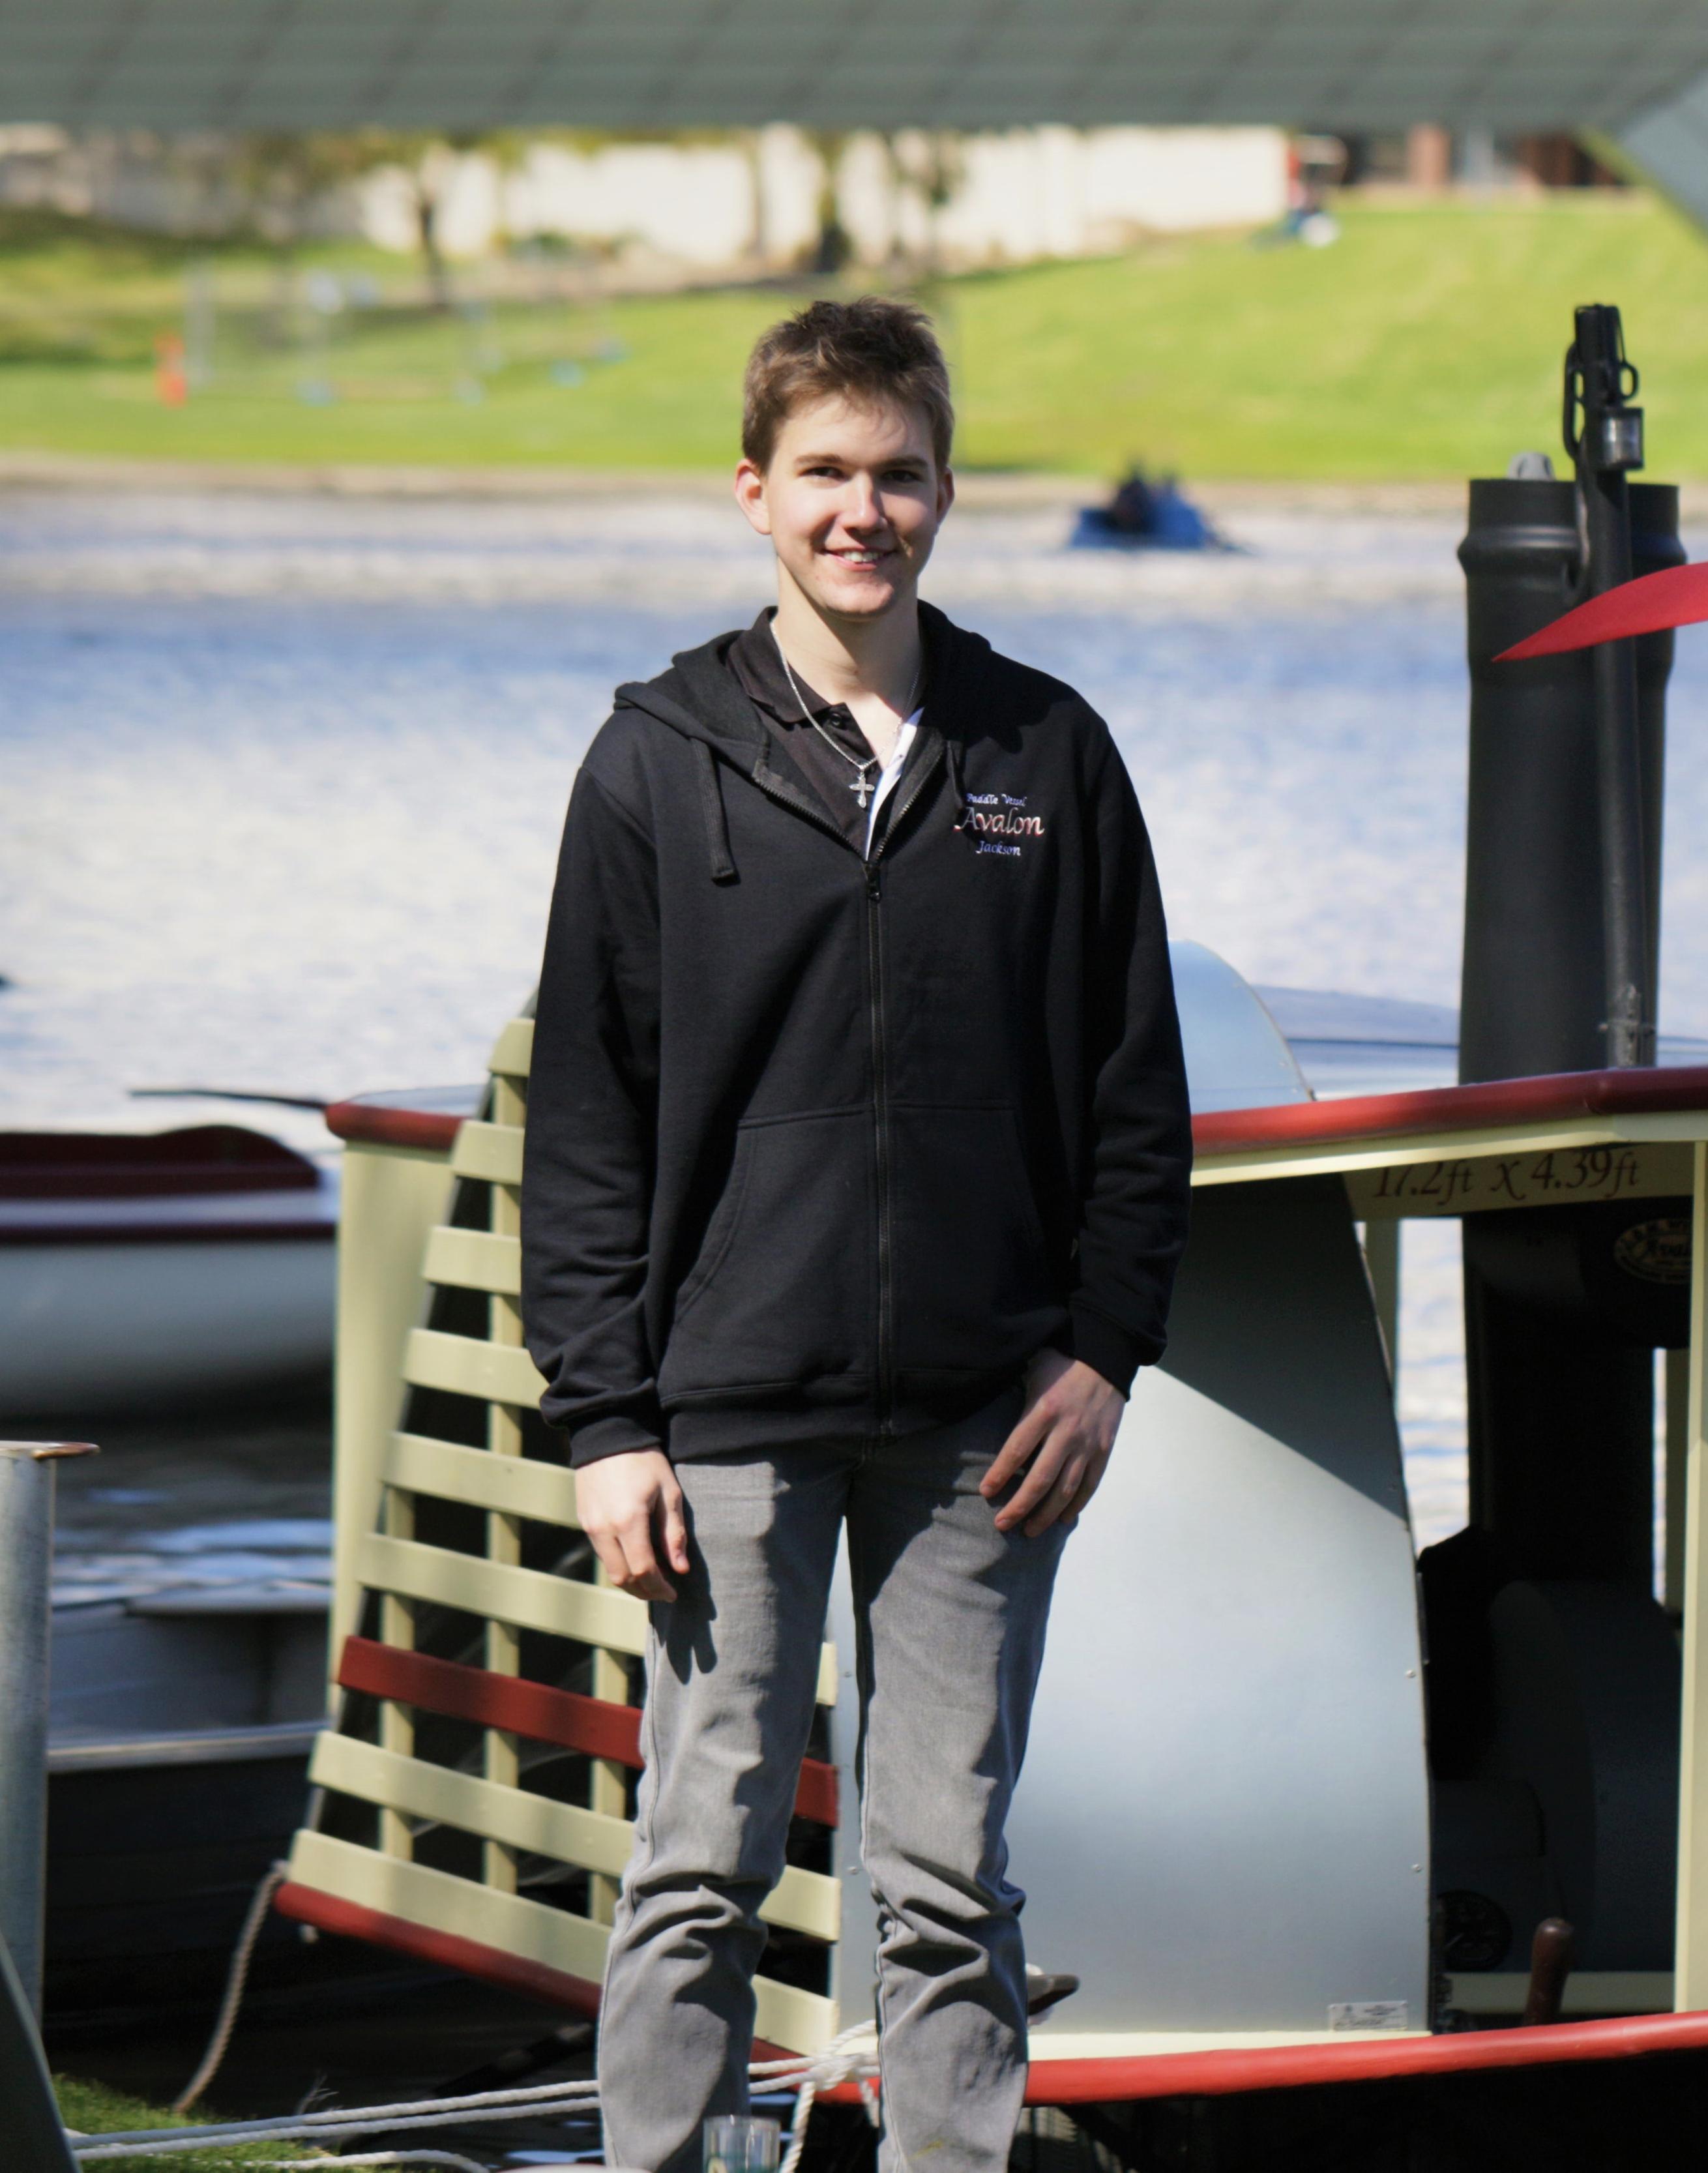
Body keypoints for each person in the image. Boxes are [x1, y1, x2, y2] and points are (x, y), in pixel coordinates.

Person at [521, 296, 1192, 2173]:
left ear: (947, 493)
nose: (862, 510)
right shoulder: (655, 762)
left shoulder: (1046, 755)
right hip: (721, 1412)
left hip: (986, 1416)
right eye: (825, 472)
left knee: (948, 1886)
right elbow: (585, 1118)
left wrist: (1102, 1348)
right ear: (753, 492)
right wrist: (607, 1421)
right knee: (700, 1869)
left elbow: (1136, 1096)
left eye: (899, 475)